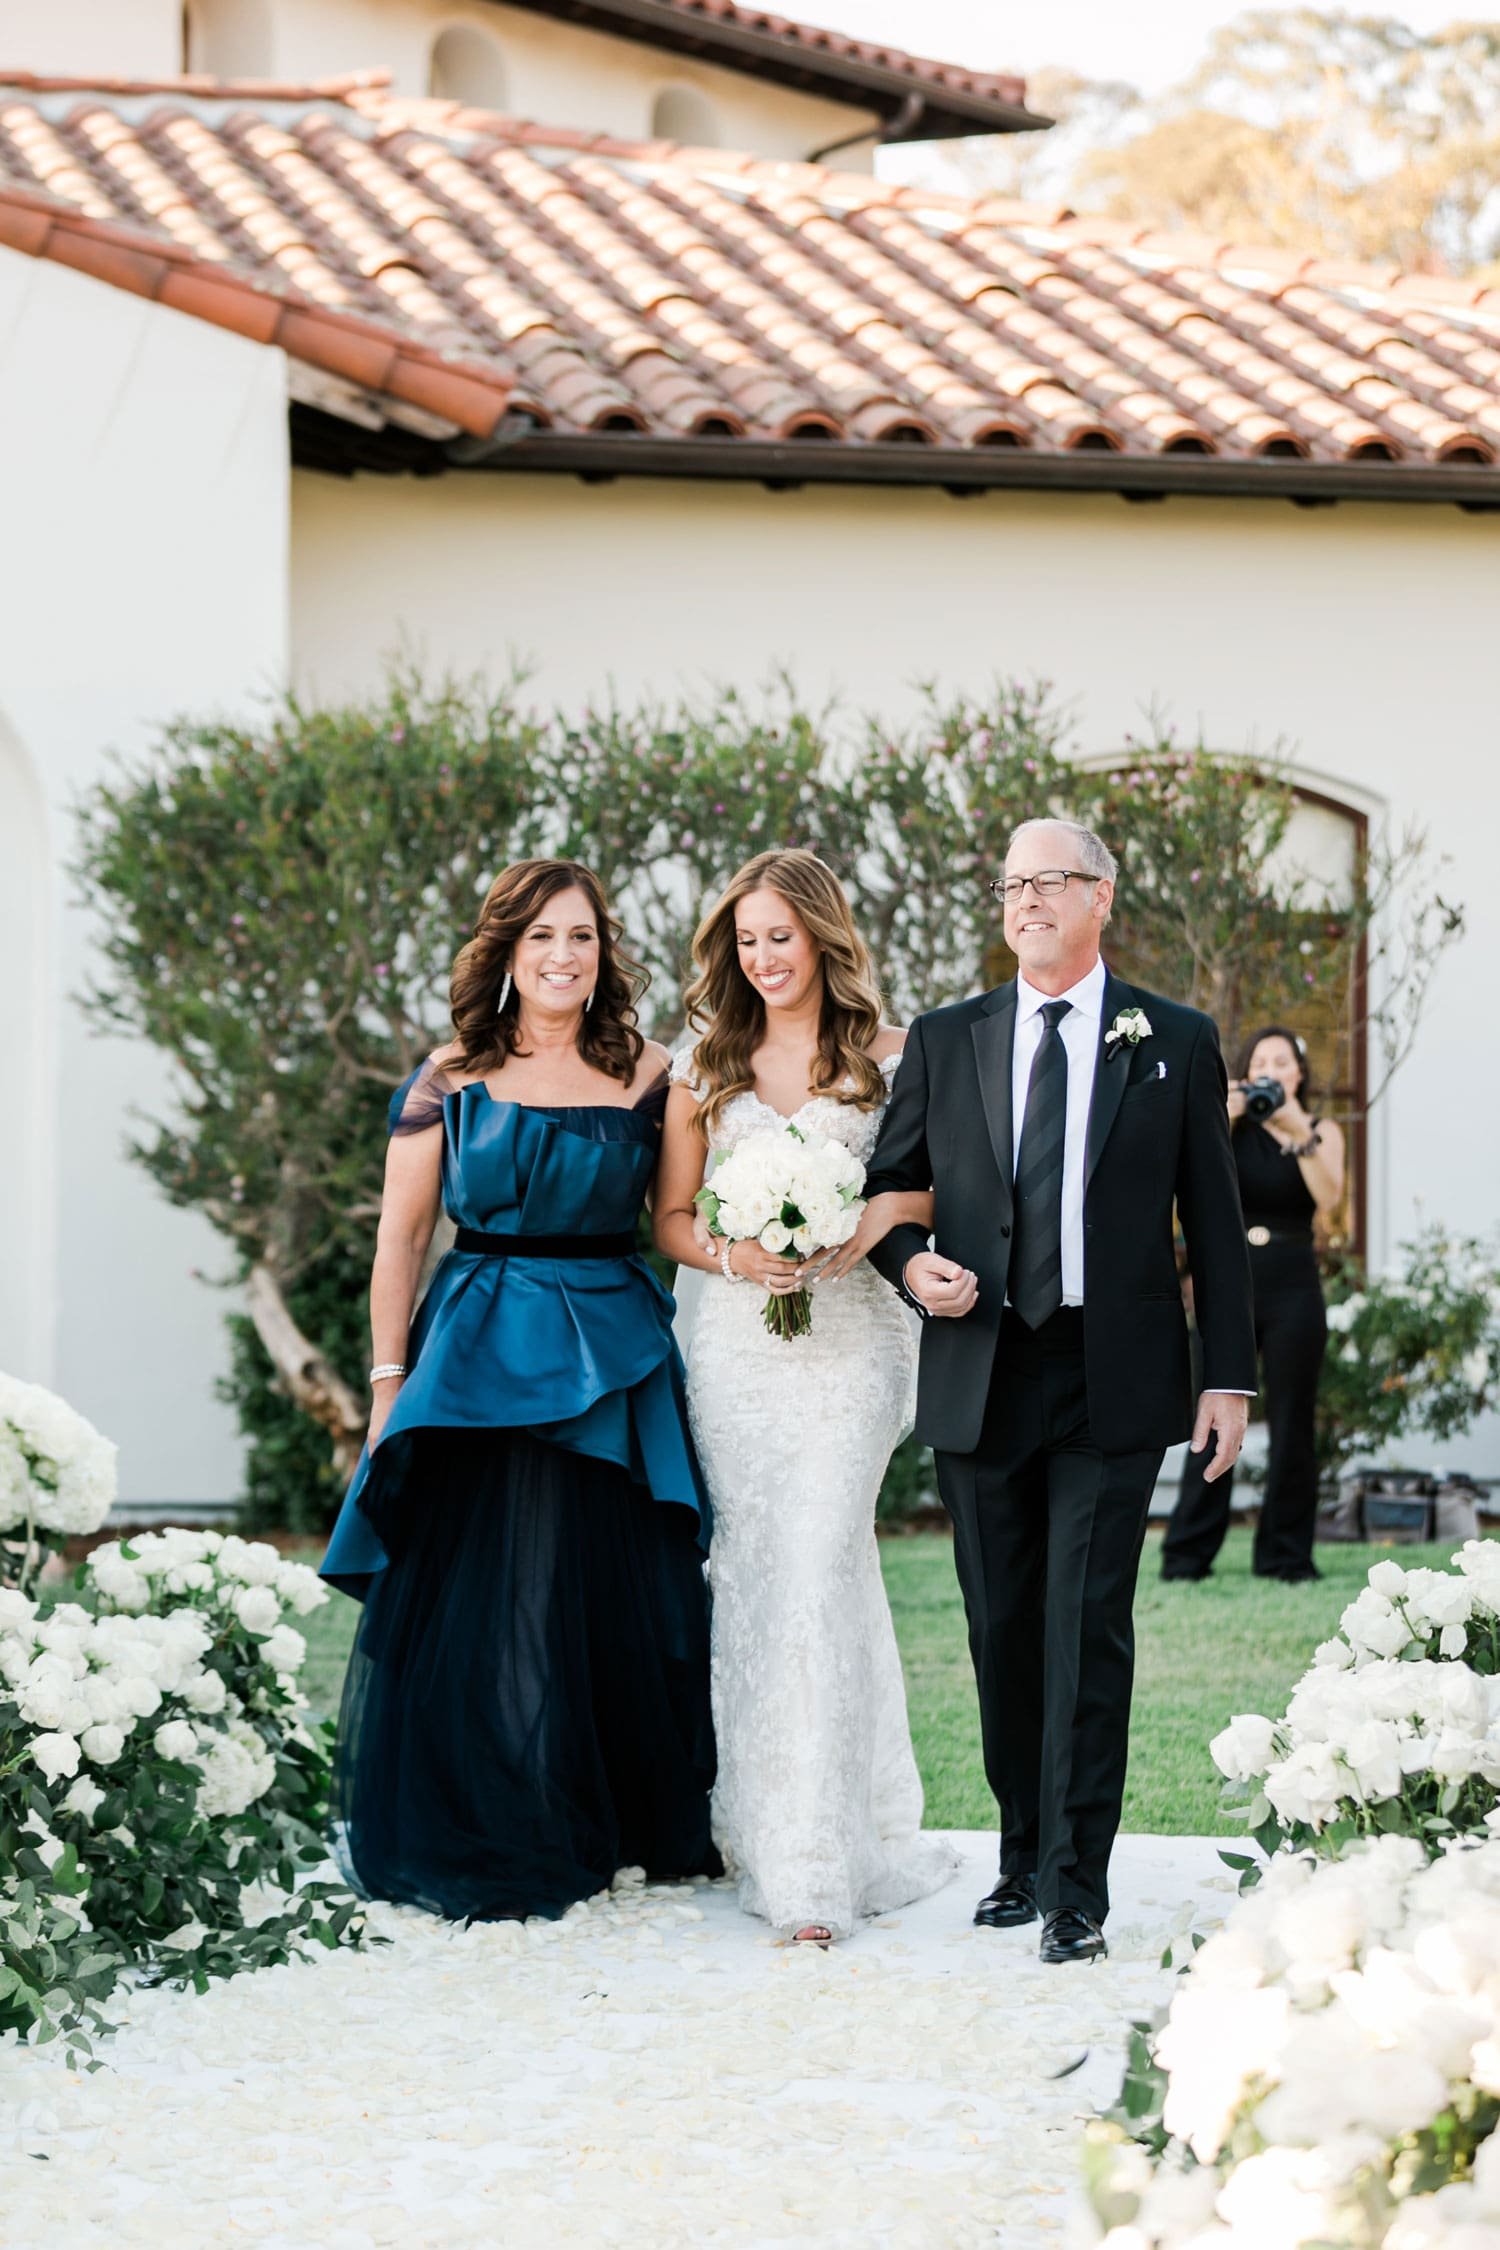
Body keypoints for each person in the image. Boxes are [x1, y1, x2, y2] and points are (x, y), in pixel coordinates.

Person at [864, 819, 1255, 1965]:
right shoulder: (949, 1037)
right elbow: (892, 1190)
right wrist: (907, 1267)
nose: (1026, 898)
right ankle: (1020, 1854)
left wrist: (1227, 1374)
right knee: (1001, 1626)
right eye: (1012, 884)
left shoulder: (1173, 1039)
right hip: (982, 1363)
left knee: (1089, 1625)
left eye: (1050, 880)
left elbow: (1217, 1226)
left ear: (1102, 895)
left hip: (1114, 1373)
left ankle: (1076, 1890)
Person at [320, 858, 719, 1921]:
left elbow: (678, 1221)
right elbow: (401, 1241)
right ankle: (498, 1815)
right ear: (504, 953)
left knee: (604, 1587)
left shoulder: (655, 1071)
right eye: (541, 937)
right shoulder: (449, 1075)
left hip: (612, 1349)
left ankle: (606, 1812)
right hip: (479, 1346)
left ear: (604, 953)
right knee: (489, 1591)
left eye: (581, 937)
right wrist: (386, 1385)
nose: (562, 956)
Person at [655, 849, 960, 1946]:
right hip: (738, 1349)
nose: (763, 957)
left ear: (823, 938)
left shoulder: (894, 1055)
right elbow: (674, 1220)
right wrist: (744, 1258)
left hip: (853, 1350)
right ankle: (773, 1829)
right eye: (745, 940)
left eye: (780, 936)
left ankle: (821, 1866)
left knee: (823, 1553)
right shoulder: (708, 1064)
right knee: (757, 1570)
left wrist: (853, 1232)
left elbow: (922, 1182)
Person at [1161, 1025, 1345, 1585]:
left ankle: (1285, 1557)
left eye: (1282, 1062)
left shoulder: (1318, 1130)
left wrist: (1291, 1125)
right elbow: (1187, 1188)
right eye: (1260, 1060)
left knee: (1293, 1423)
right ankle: (1188, 1556)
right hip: (1229, 1283)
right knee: (1210, 1416)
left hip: (1294, 1282)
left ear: (1298, 1075)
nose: (1270, 1069)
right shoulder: (1225, 1122)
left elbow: (1330, 1201)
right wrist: (1228, 1113)